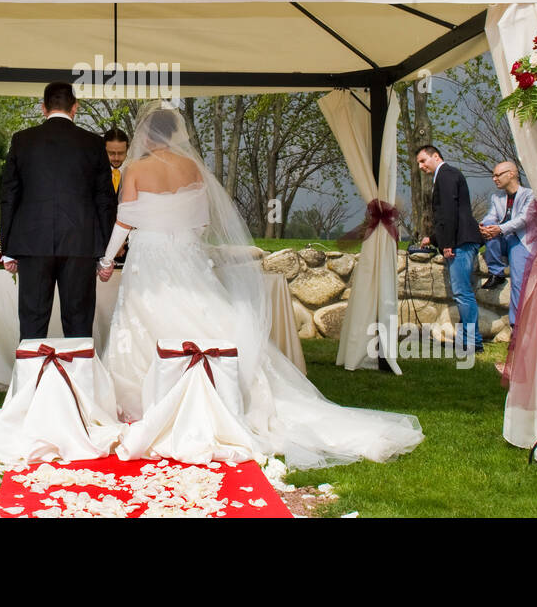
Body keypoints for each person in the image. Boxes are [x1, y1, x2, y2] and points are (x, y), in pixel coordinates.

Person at [98, 104, 423, 469]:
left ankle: (150, 404)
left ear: (144, 135)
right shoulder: (192, 169)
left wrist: (108, 260)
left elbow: (124, 220)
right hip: (185, 255)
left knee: (148, 323)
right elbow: (202, 223)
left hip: (152, 259)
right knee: (197, 315)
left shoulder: (136, 169)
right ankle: (211, 395)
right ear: (175, 135)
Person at [0, 82, 117, 340]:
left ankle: (32, 380)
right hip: (81, 245)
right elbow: (105, 200)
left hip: (32, 243)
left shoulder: (21, 141)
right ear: (75, 108)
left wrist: (7, 248)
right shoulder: (93, 143)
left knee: (32, 321)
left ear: (44, 108)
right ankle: (78, 380)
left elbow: (9, 196)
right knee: (78, 322)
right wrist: (105, 252)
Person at [417, 145, 485, 352]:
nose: (420, 166)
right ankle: (470, 340)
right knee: (463, 292)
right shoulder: (449, 174)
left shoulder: (445, 175)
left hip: (460, 242)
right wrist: (434, 238)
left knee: (462, 293)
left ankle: (473, 342)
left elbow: (448, 212)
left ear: (436, 156)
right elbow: (452, 213)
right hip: (460, 239)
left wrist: (447, 244)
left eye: (423, 161)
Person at [479, 161, 534, 326]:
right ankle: (497, 272)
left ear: (511, 174)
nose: (494, 178)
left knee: (518, 282)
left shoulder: (530, 194)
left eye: (497, 175)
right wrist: (486, 225)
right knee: (488, 228)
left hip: (521, 240)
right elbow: (491, 215)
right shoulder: (497, 198)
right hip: (502, 238)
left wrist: (499, 229)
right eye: (493, 175)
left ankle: (517, 325)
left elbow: (524, 219)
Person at [103, 127, 130, 267]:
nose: (116, 158)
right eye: (111, 153)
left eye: (121, 153)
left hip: (130, 248)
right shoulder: (94, 174)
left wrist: (122, 241)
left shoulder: (134, 173)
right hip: (101, 248)